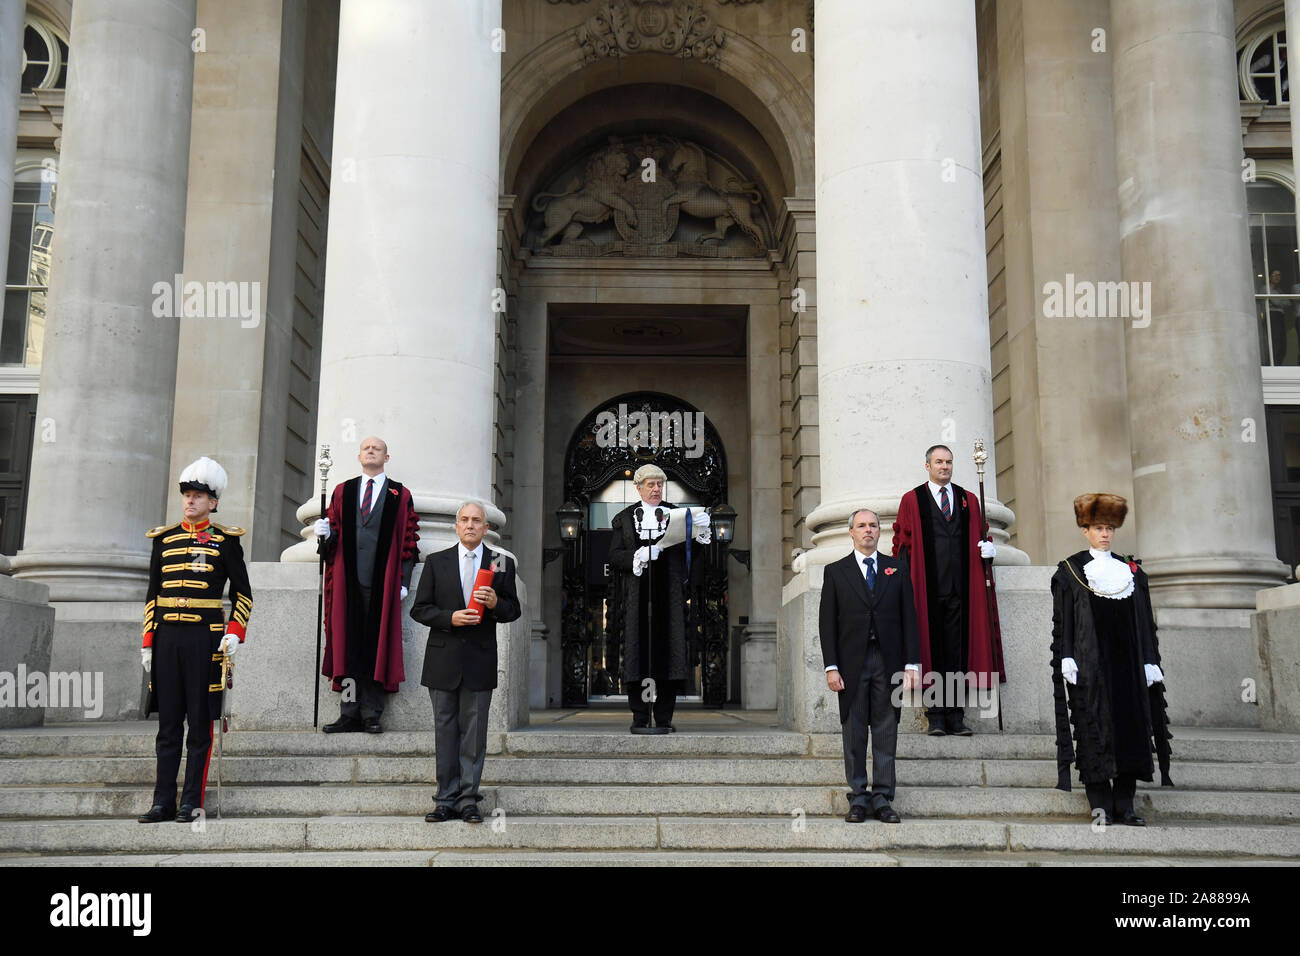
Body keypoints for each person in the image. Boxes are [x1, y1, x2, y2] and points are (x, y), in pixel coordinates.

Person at [138, 457, 252, 823]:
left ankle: (192, 801)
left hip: (205, 640)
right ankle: (162, 801)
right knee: (168, 724)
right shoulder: (164, 538)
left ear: (213, 502)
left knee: (200, 724)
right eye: (187, 495)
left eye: (198, 496)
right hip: (167, 638)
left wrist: (233, 632)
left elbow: (243, 595)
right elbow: (152, 594)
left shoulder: (226, 541)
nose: (190, 501)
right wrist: (147, 640)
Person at [1050, 493, 1173, 826]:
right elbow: (1066, 620)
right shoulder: (1071, 571)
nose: (1104, 534)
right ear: (1085, 531)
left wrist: (1149, 660)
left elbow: (1145, 622)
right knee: (1094, 733)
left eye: (1109, 528)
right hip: (1091, 668)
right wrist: (1067, 657)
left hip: (1128, 668)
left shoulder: (1130, 571)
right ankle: (1100, 805)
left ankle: (1126, 805)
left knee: (1131, 732)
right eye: (1098, 528)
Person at [410, 500, 520, 823]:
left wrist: (497, 602)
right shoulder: (436, 561)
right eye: (465, 520)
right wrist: (451, 617)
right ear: (456, 526)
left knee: (474, 734)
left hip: (479, 660)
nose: (471, 525)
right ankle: (445, 799)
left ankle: (468, 799)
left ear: (486, 528)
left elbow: (513, 610)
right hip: (442, 660)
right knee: (445, 732)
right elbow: (420, 609)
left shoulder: (500, 562)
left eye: (477, 521)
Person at [892, 444, 1001, 736]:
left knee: (957, 651)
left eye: (949, 462)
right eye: (939, 462)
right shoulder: (912, 500)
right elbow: (903, 547)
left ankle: (956, 715)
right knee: (932, 649)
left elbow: (980, 538)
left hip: (962, 588)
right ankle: (936, 716)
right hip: (927, 588)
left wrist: (988, 551)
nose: (945, 467)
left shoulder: (968, 500)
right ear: (927, 465)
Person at [820, 508, 920, 823]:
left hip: (888, 661)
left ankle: (883, 798)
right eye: (862, 526)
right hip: (851, 663)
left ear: (880, 531)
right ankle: (859, 798)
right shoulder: (836, 572)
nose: (868, 531)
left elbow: (910, 620)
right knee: (854, 731)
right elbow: (827, 624)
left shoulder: (897, 569)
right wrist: (831, 667)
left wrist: (912, 664)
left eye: (873, 525)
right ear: (851, 532)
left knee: (886, 730)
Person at [314, 437, 419, 733]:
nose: (371, 450)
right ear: (358, 455)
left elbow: (409, 540)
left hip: (382, 584)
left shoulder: (400, 494)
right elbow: (332, 539)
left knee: (376, 646)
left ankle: (372, 713)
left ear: (387, 457)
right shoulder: (342, 492)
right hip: (347, 581)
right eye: (366, 447)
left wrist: (404, 583)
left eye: (377, 448)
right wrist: (325, 534)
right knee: (347, 648)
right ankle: (349, 712)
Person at [606, 464, 710, 732]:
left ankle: (664, 718)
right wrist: (637, 556)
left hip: (670, 597)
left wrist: (700, 534)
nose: (655, 489)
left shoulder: (677, 514)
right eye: (650, 485)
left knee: (670, 656)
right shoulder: (624, 519)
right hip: (636, 598)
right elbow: (614, 556)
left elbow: (692, 555)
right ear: (638, 487)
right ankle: (640, 716)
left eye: (659, 485)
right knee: (637, 655)